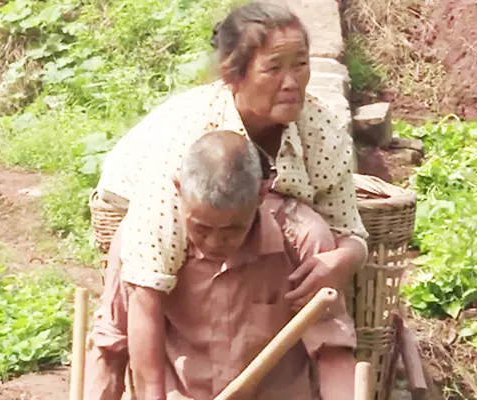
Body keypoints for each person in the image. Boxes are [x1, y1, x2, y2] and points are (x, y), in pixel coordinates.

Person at [92, 3, 369, 397]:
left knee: (312, 233)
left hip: (249, 206)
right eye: (274, 69)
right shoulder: (184, 146)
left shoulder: (320, 130)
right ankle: (107, 377)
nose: (291, 82)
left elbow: (349, 231)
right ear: (234, 76)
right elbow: (148, 287)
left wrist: (341, 259)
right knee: (128, 269)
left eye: (301, 64)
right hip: (141, 198)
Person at [85, 130, 358, 400]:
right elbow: (110, 346)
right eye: (201, 228)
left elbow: (332, 352)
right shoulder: (147, 239)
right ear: (179, 189)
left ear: (262, 193)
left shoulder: (303, 239)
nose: (214, 242)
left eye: (231, 230)